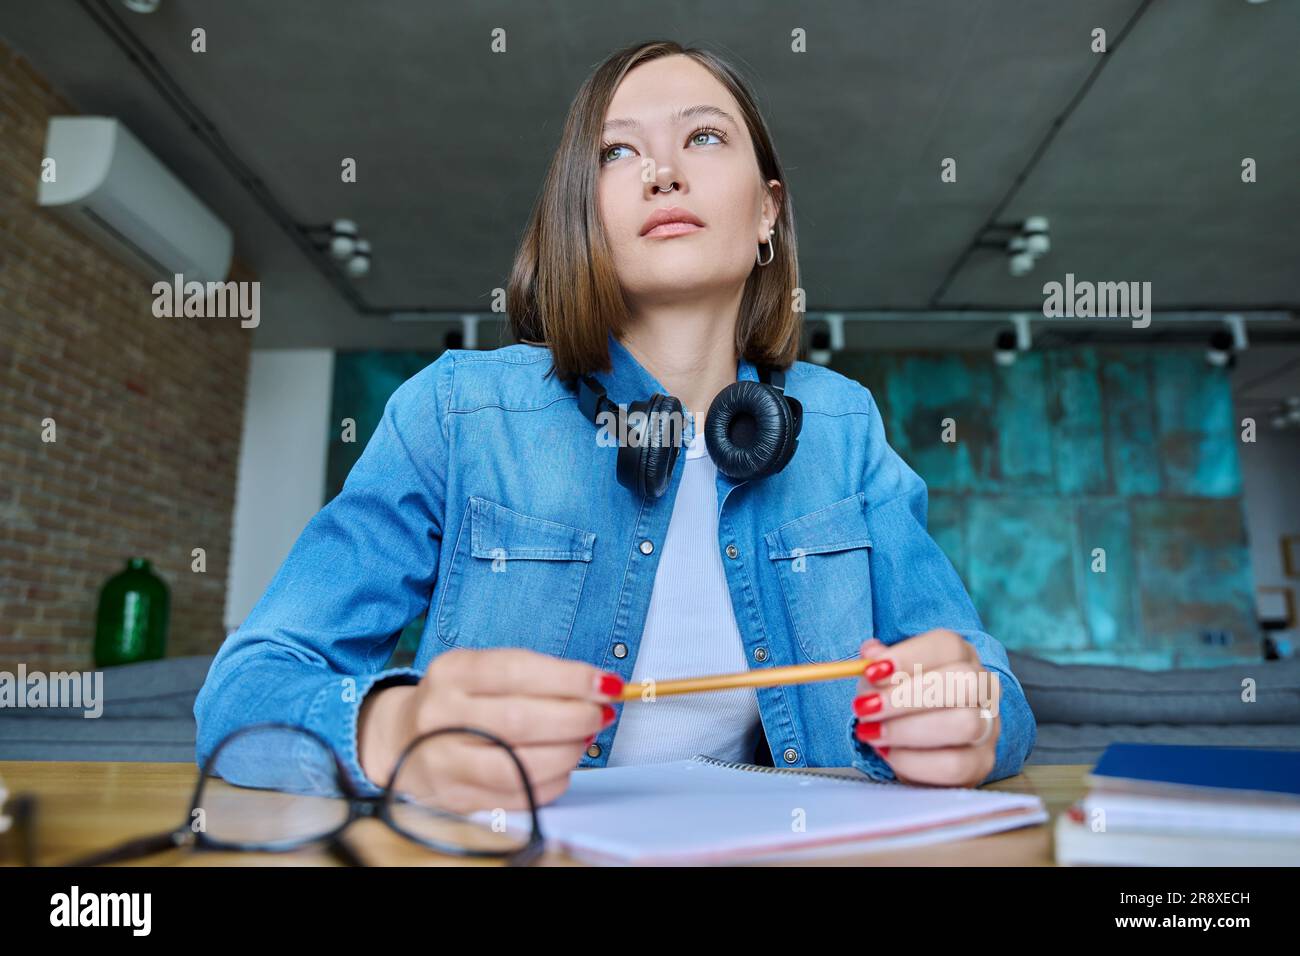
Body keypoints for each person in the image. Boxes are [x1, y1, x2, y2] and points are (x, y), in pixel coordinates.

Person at [194, 39, 1036, 811]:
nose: (662, 172)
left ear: (768, 211)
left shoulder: (844, 427)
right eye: (618, 151)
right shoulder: (455, 412)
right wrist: (395, 732)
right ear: (584, 215)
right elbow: (245, 691)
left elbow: (992, 686)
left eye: (704, 137)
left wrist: (971, 718)